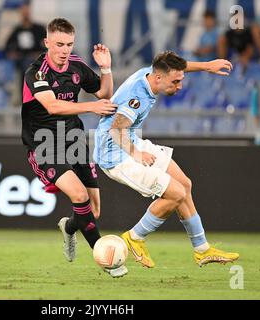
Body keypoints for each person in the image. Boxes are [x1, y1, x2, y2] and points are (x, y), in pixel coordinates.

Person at [93, 51, 240, 268]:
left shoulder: (151, 73)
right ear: (159, 78)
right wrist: (137, 154)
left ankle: (202, 250)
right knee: (176, 194)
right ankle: (134, 238)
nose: (179, 86)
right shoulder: (138, 98)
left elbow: (178, 66)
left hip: (130, 139)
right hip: (116, 155)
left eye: (180, 80)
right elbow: (116, 130)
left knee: (185, 185)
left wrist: (207, 66)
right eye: (176, 82)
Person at [21, 18, 125, 277]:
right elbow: (53, 106)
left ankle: (68, 228)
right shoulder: (37, 72)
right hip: (44, 143)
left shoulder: (76, 65)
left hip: (75, 139)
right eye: (59, 44)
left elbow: (104, 94)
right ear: (47, 43)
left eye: (69, 44)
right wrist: (91, 107)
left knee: (94, 210)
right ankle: (105, 260)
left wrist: (107, 69)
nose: (65, 49)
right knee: (79, 197)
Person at [5, 2, 47, 81]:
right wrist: (12, 53)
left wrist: (42, 52)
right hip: (22, 58)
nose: (25, 15)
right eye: (23, 13)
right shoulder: (17, 30)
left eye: (27, 12)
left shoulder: (39, 29)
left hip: (37, 57)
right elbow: (7, 45)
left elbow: (49, 43)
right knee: (26, 66)